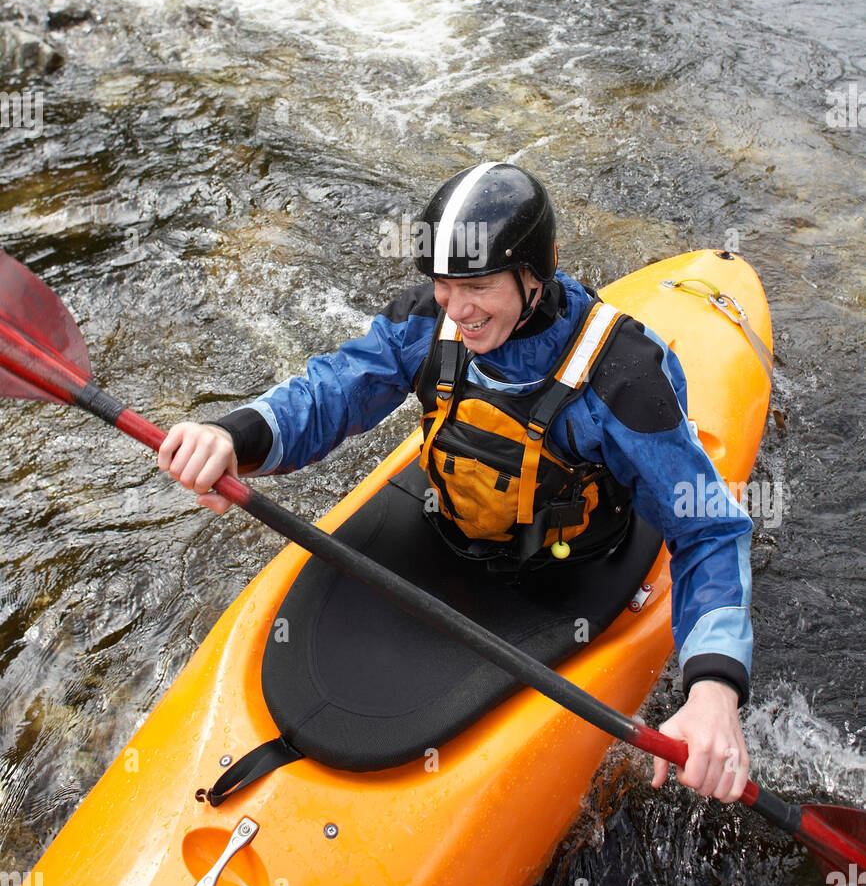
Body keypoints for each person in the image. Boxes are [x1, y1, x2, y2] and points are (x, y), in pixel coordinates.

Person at [158, 161, 753, 804]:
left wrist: (714, 689)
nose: (457, 309)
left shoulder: (623, 380)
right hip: (443, 537)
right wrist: (234, 437)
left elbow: (709, 530)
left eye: (477, 286)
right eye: (443, 284)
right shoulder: (430, 322)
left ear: (537, 273)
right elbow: (333, 392)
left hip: (565, 574)